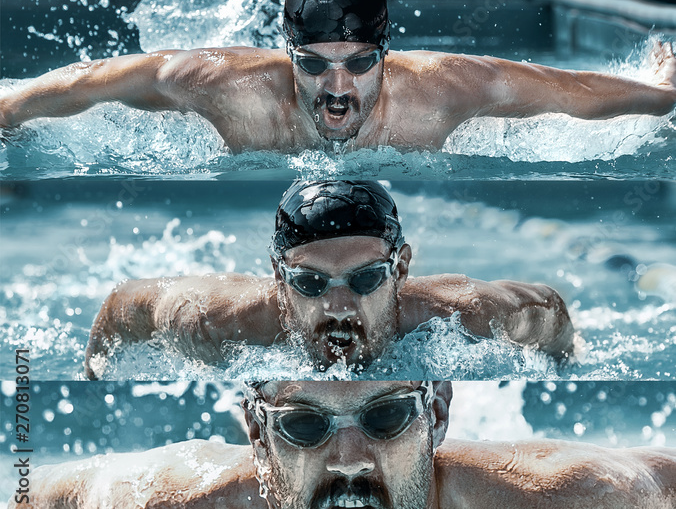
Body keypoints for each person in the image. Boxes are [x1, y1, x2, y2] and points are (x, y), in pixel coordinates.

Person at [2, 380, 674, 509]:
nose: (349, 459)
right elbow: (45, 508)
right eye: (304, 424)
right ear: (258, 433)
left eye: (386, 416)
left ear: (437, 414)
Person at [1, 0, 674, 154]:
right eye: (314, 65)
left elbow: (567, 91)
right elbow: (99, 79)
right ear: (287, 55)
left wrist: (659, 95)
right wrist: (11, 107)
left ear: (387, 55)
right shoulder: (229, 88)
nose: (337, 88)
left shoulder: (443, 90)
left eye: (359, 63)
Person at [83, 179, 574, 377]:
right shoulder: (213, 322)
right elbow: (120, 308)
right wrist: (91, 379)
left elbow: (549, 309)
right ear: (279, 278)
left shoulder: (469, 314)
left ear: (401, 270)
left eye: (365, 280)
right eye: (311, 283)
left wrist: (570, 362)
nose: (338, 306)